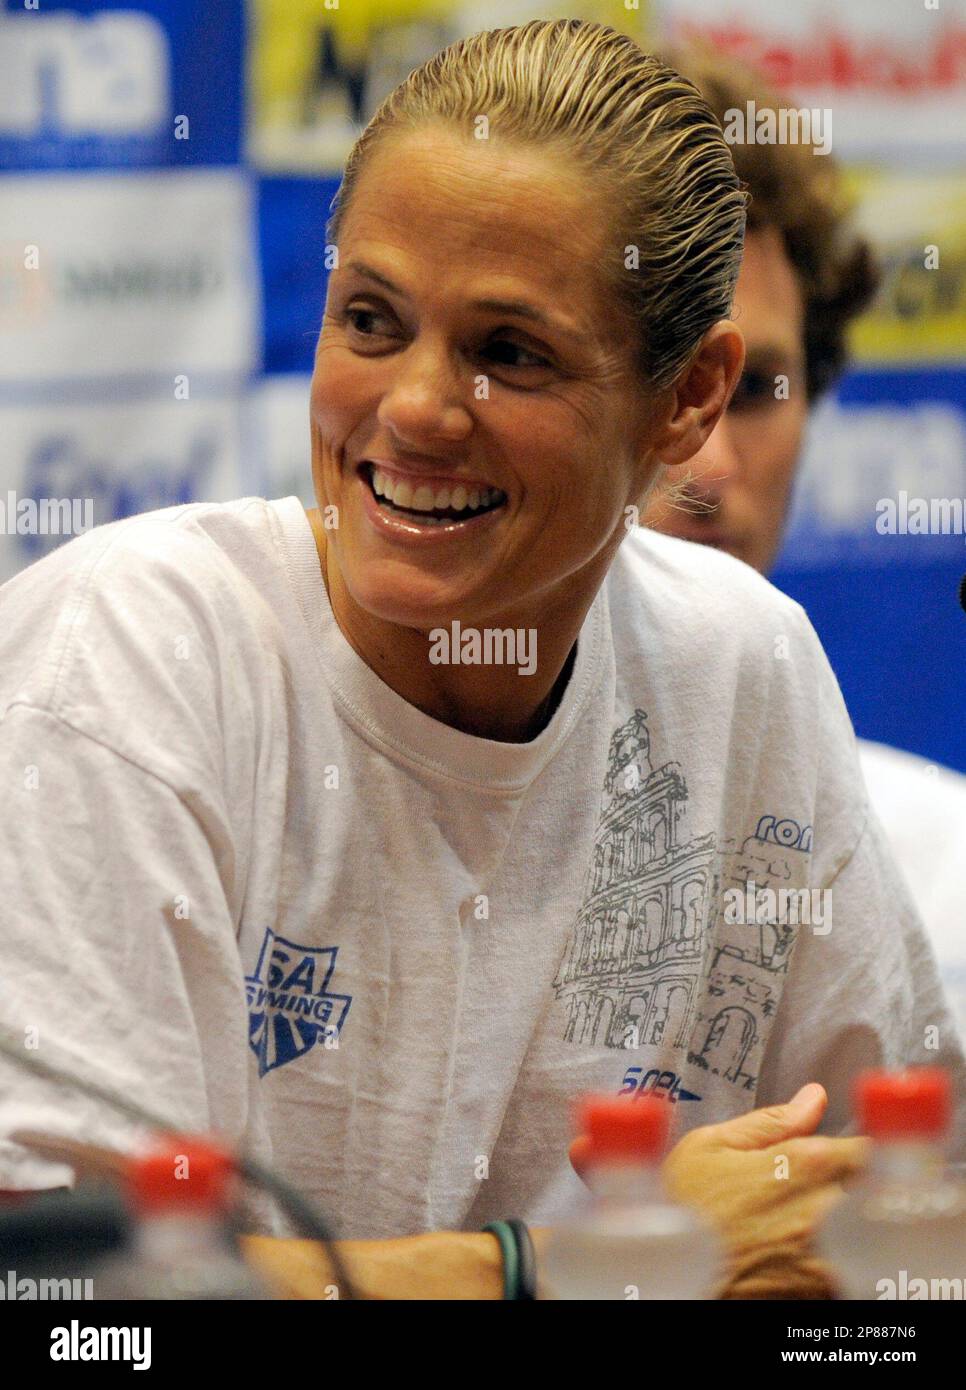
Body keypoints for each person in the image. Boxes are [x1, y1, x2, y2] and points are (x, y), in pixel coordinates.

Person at [0, 20, 960, 1299]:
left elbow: (883, 1232)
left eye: (509, 351)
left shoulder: (742, 665)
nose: (411, 409)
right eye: (371, 320)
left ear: (688, 398)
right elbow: (75, 1305)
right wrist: (567, 1272)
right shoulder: (128, 654)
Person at [646, 45, 966, 1044]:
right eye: (666, 387)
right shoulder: (378, 840)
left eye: (754, 391)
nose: (710, 468)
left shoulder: (945, 865)